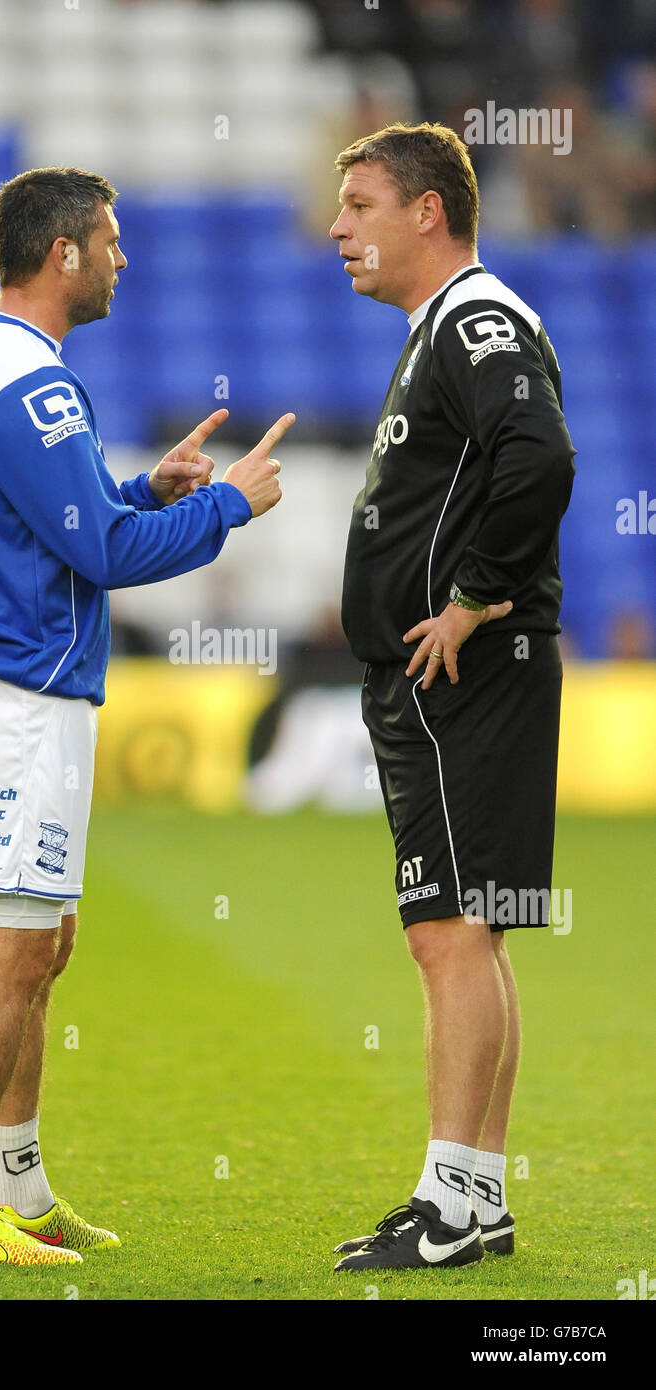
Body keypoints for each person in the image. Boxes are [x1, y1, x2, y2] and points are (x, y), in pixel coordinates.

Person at [0, 166, 294, 1265]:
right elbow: (101, 558)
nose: (124, 258)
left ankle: (20, 1186)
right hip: (16, 696)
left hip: (17, 685)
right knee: (8, 950)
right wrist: (227, 507)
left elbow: (55, 519)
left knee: (42, 945)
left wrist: (141, 488)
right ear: (63, 253)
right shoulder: (33, 383)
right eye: (111, 240)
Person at [328, 123, 575, 1271]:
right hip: (459, 678)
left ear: (428, 212)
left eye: (361, 203)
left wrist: (474, 598)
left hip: (465, 673)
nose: (339, 227)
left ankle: (454, 1200)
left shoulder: (475, 321)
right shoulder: (449, 327)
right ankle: (471, 1193)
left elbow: (539, 455)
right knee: (471, 930)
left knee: (445, 931)